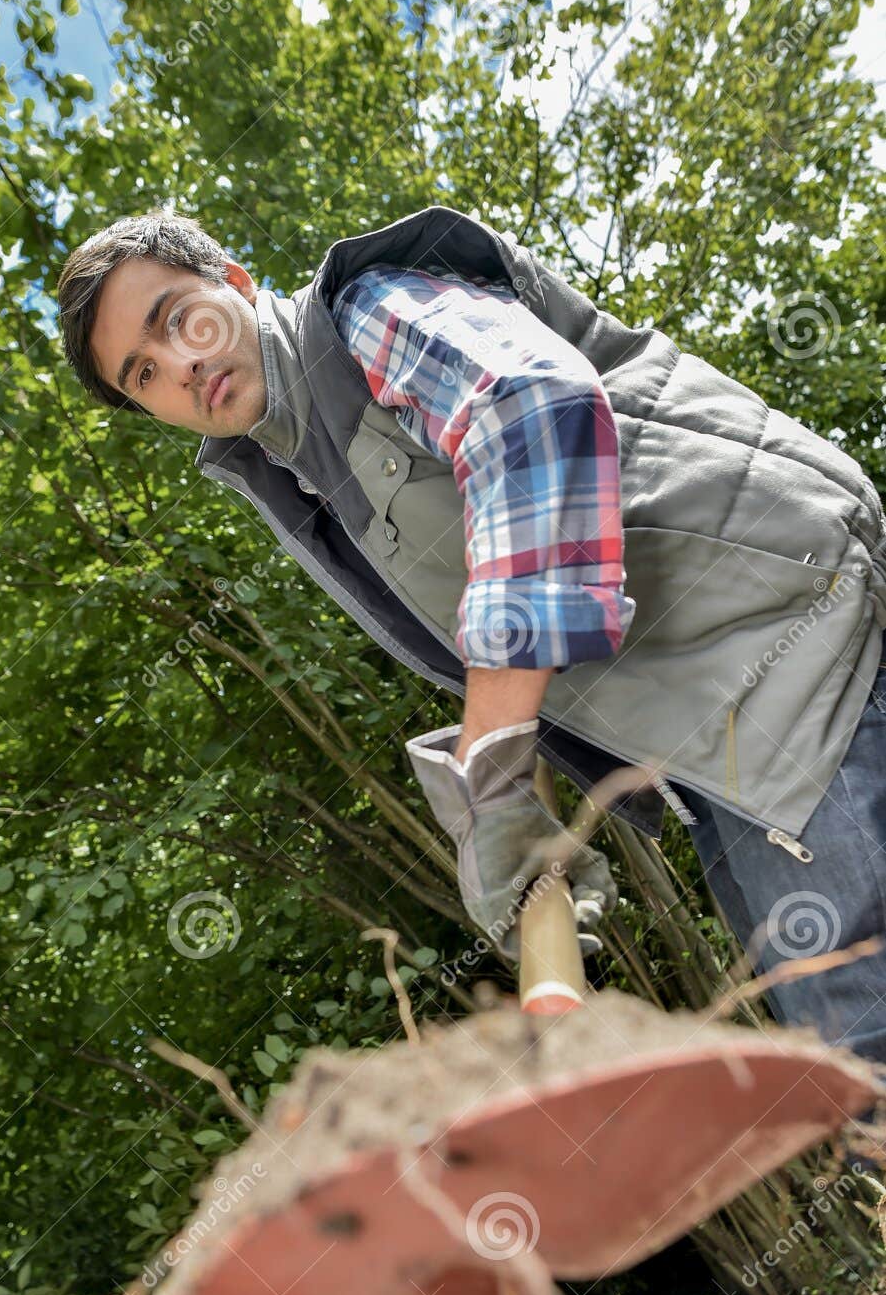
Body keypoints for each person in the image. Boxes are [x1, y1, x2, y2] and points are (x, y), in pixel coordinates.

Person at [57, 203, 886, 1075]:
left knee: (867, 1057)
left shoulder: (366, 311)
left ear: (233, 282)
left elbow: (533, 410)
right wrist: (501, 801)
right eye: (143, 373)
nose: (182, 367)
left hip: (784, 655)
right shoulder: (304, 476)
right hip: (720, 742)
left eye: (175, 320)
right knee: (849, 1077)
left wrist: (491, 748)